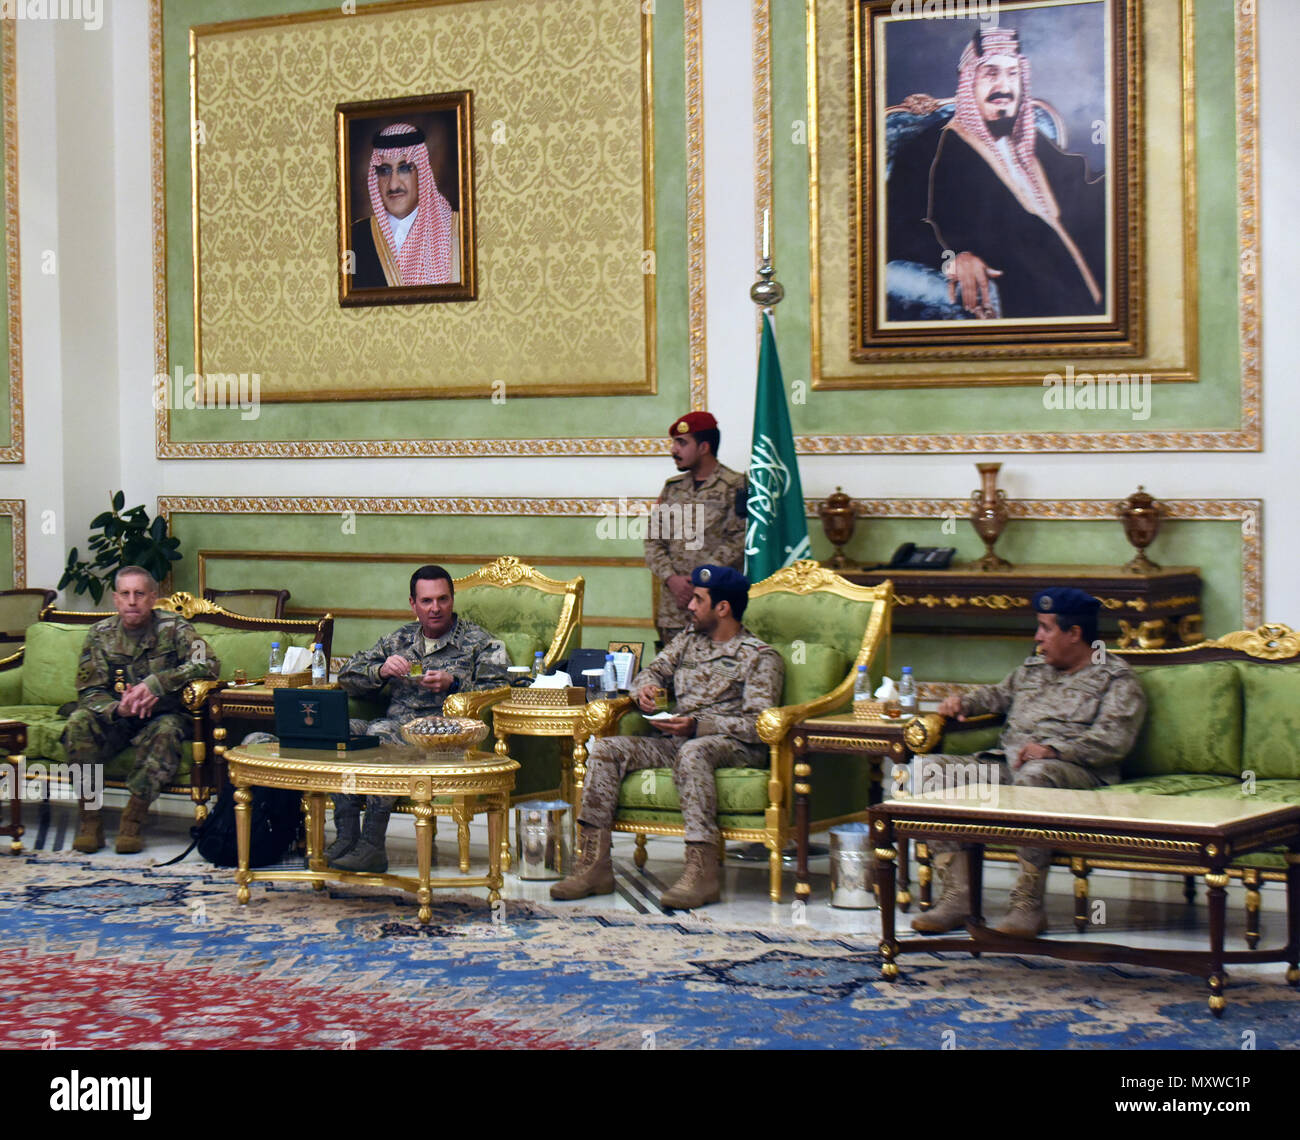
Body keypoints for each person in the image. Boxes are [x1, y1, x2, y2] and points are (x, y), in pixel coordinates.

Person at [911, 587, 1146, 938]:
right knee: (930, 771)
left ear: (1075, 633)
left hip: (1075, 775)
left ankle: (1027, 905)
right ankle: (957, 897)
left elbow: (1114, 741)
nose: (1037, 637)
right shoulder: (1033, 669)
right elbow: (998, 695)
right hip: (1008, 766)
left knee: (1036, 774)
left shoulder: (1116, 678)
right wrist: (962, 703)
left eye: (1045, 628)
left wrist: (1054, 751)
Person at [551, 565, 784, 910]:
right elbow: (653, 669)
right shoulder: (688, 640)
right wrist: (645, 688)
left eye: (698, 600)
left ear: (723, 608)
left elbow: (759, 726)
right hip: (676, 739)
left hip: (730, 748)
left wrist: (698, 725)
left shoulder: (760, 657)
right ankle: (594, 866)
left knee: (694, 752)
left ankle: (701, 873)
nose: (689, 606)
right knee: (607, 749)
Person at [889, 26, 1105, 321]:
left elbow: (1081, 186)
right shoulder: (928, 150)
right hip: (1029, 295)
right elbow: (895, 226)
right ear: (968, 82)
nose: (1004, 87)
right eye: (991, 73)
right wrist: (951, 258)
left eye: (1012, 74)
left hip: (1088, 281)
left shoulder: (1030, 140)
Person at [331, 565, 509, 872]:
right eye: (426, 601)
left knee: (382, 735)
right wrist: (381, 670)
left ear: (453, 600)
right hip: (390, 726)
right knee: (341, 732)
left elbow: (500, 691)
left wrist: (454, 684)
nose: (436, 608)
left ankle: (372, 844)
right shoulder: (398, 640)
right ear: (413, 604)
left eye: (443, 599)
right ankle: (347, 836)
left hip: (441, 739)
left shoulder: (482, 643)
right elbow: (348, 674)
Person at [64, 566, 220, 854]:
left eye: (139, 594)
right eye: (125, 594)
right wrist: (117, 709)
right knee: (78, 723)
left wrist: (157, 683)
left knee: (167, 730)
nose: (132, 601)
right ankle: (90, 820)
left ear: (152, 598)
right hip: (118, 718)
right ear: (115, 599)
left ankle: (132, 820)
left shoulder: (175, 628)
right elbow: (89, 691)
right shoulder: (100, 634)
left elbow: (208, 665)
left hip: (164, 714)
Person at [645, 412, 747, 645]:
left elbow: (739, 541)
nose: (673, 450)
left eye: (681, 442)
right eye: (674, 442)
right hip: (674, 609)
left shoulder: (735, 486)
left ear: (704, 447)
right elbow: (653, 540)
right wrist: (672, 579)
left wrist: (700, 581)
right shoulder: (673, 488)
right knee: (668, 675)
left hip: (717, 608)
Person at [348, 121, 461, 289]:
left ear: (421, 173)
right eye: (385, 171)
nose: (393, 185)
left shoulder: (458, 230)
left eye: (405, 169)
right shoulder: (355, 237)